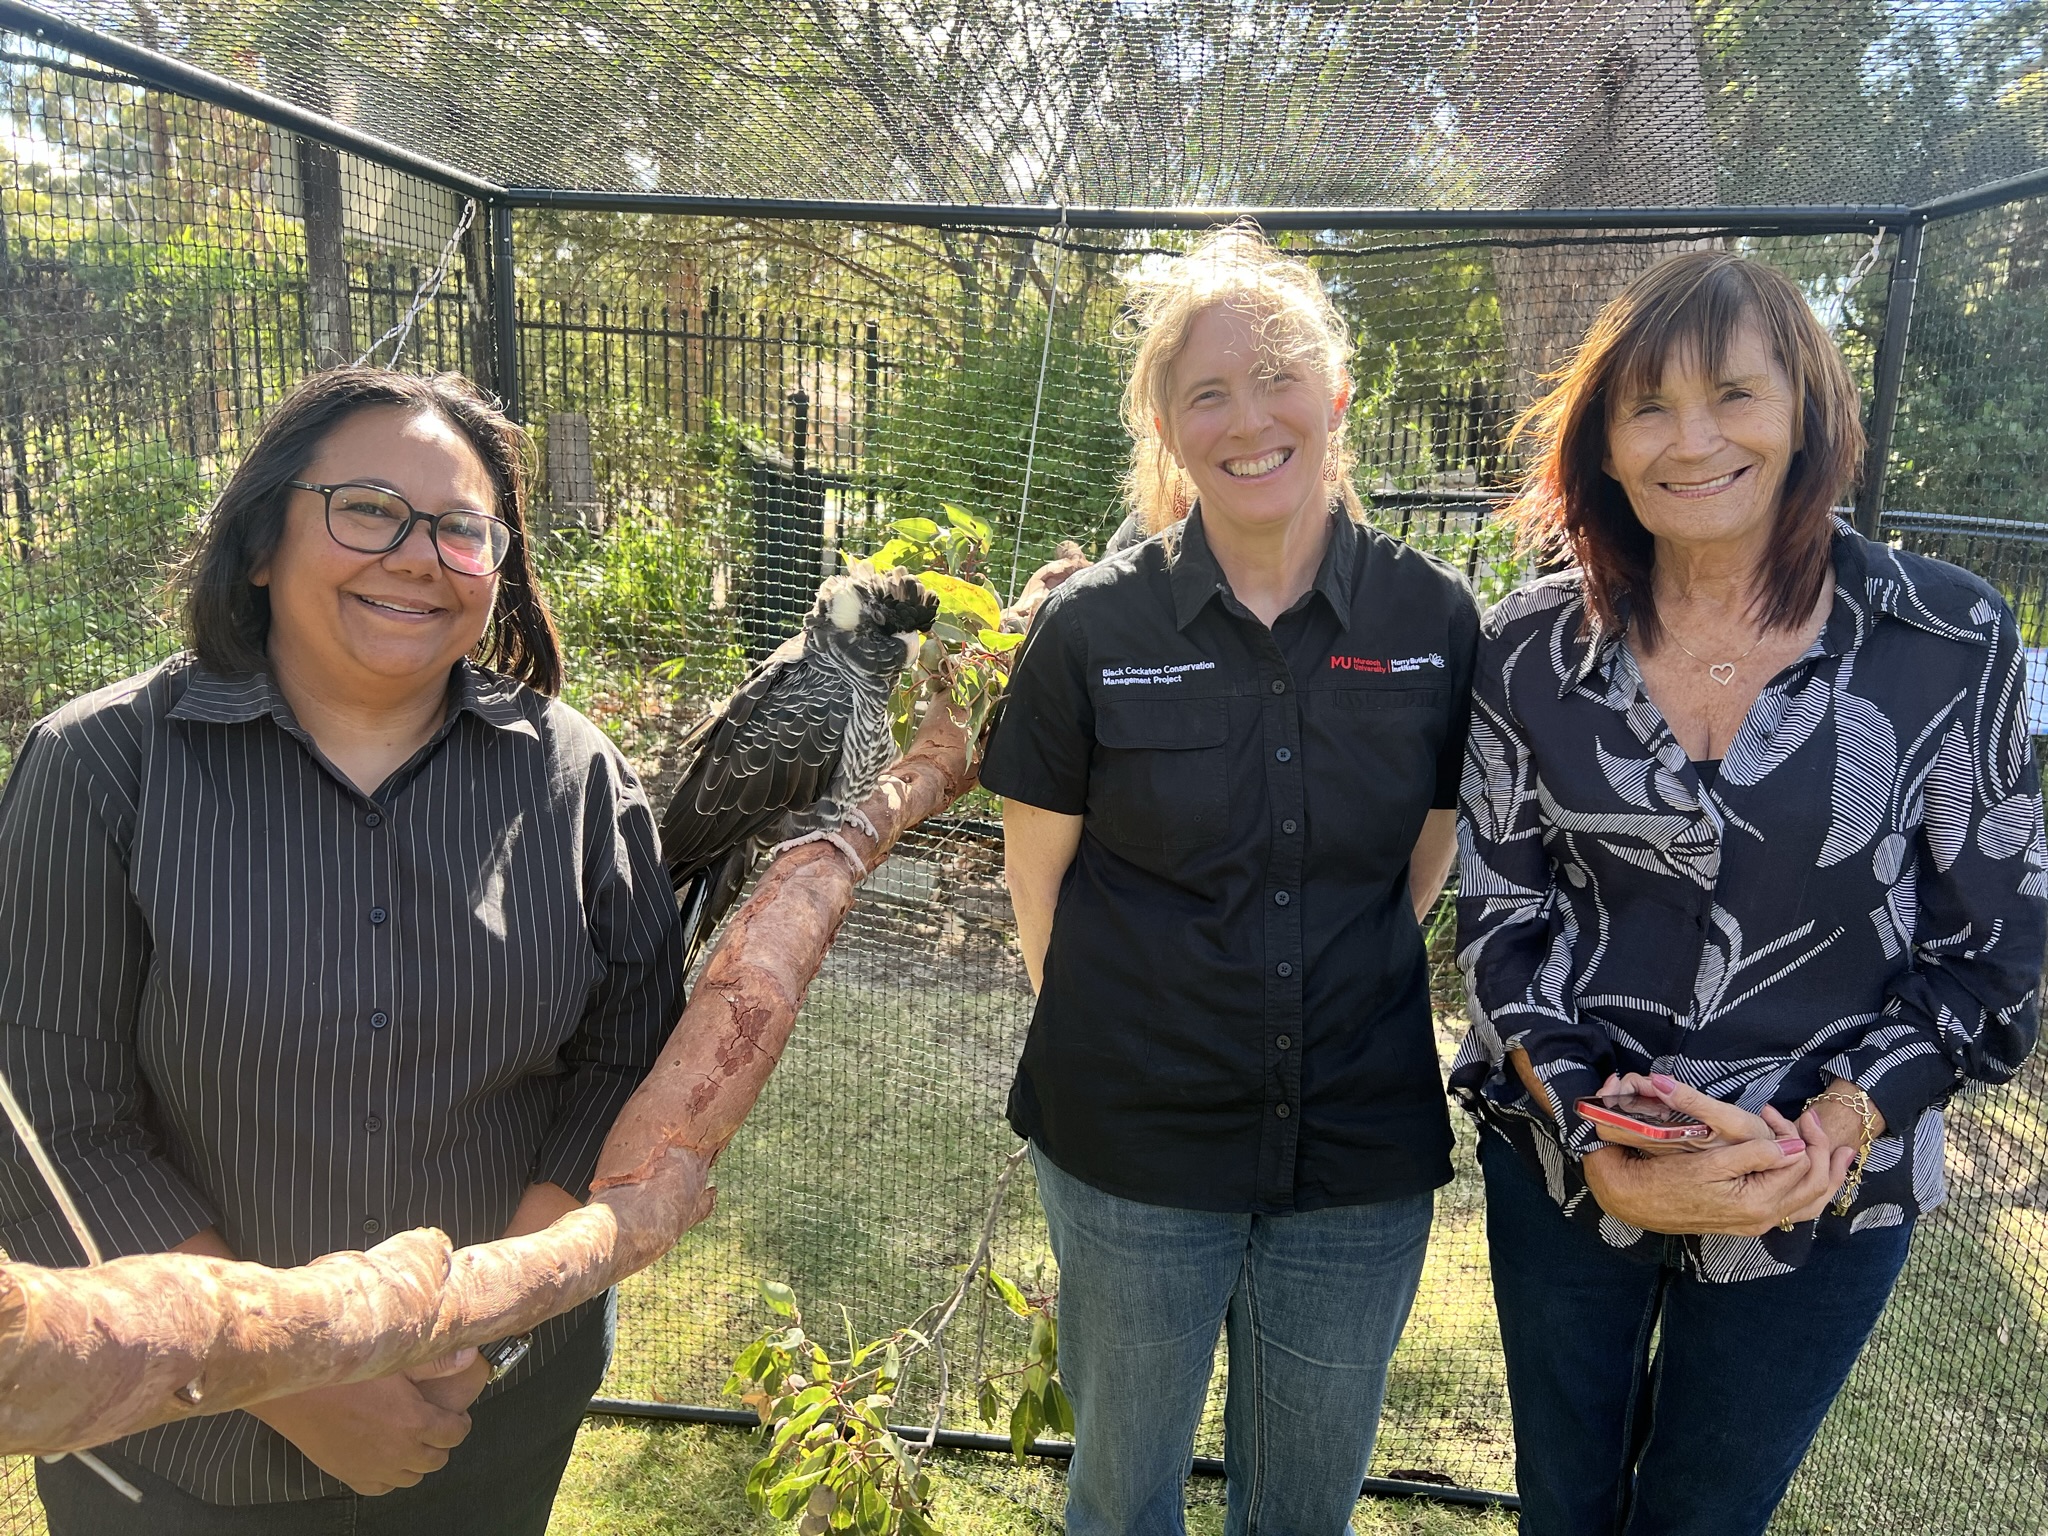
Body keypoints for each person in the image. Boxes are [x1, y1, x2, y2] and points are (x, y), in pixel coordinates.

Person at [0, 369, 686, 1533]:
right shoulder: (100, 769)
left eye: (463, 531)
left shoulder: (574, 779)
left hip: (489, 1411)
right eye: (368, 508)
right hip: (184, 1443)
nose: (418, 556)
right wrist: (293, 1378)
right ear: (263, 540)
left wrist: (477, 1329)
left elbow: (626, 1065)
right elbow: (51, 1122)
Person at [1452, 251, 2045, 1535]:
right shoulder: (1528, 651)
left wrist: (1832, 1129)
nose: (1693, 438)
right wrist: (1600, 1140)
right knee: (1562, 1506)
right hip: (1566, 1175)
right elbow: (1501, 922)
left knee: (1704, 1517)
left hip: (1818, 1192)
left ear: (1805, 411)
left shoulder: (1944, 643)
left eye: (1733, 393)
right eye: (1648, 406)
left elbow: (1992, 947)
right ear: (1602, 445)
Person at [980, 222, 1480, 1536]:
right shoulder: (1095, 628)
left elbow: (1429, 851)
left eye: (1276, 379)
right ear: (1166, 420)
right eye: (1207, 391)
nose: (1248, 418)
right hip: (1132, 1147)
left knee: (1303, 1511)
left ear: (1337, 397)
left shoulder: (1433, 623)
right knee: (1124, 1494)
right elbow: (1040, 888)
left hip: (1357, 1152)